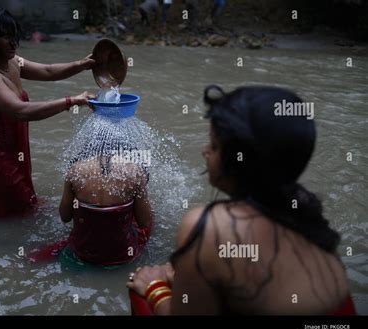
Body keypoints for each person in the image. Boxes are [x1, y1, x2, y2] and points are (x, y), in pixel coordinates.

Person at [126, 85, 356, 315]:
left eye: (214, 146)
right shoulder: (309, 214)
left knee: (141, 288)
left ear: (241, 160)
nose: (205, 151)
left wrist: (154, 287)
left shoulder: (209, 226)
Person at [0, 6, 95, 218]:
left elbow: (48, 71)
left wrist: (82, 64)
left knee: (25, 209)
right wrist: (72, 101)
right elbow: (20, 111)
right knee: (9, 220)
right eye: (5, 37)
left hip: (17, 151)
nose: (13, 42)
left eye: (14, 35)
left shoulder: (13, 62)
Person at [57, 127, 153, 266]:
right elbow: (144, 222)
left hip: (83, 253)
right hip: (122, 255)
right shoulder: (135, 172)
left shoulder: (75, 170)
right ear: (123, 144)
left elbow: (65, 217)